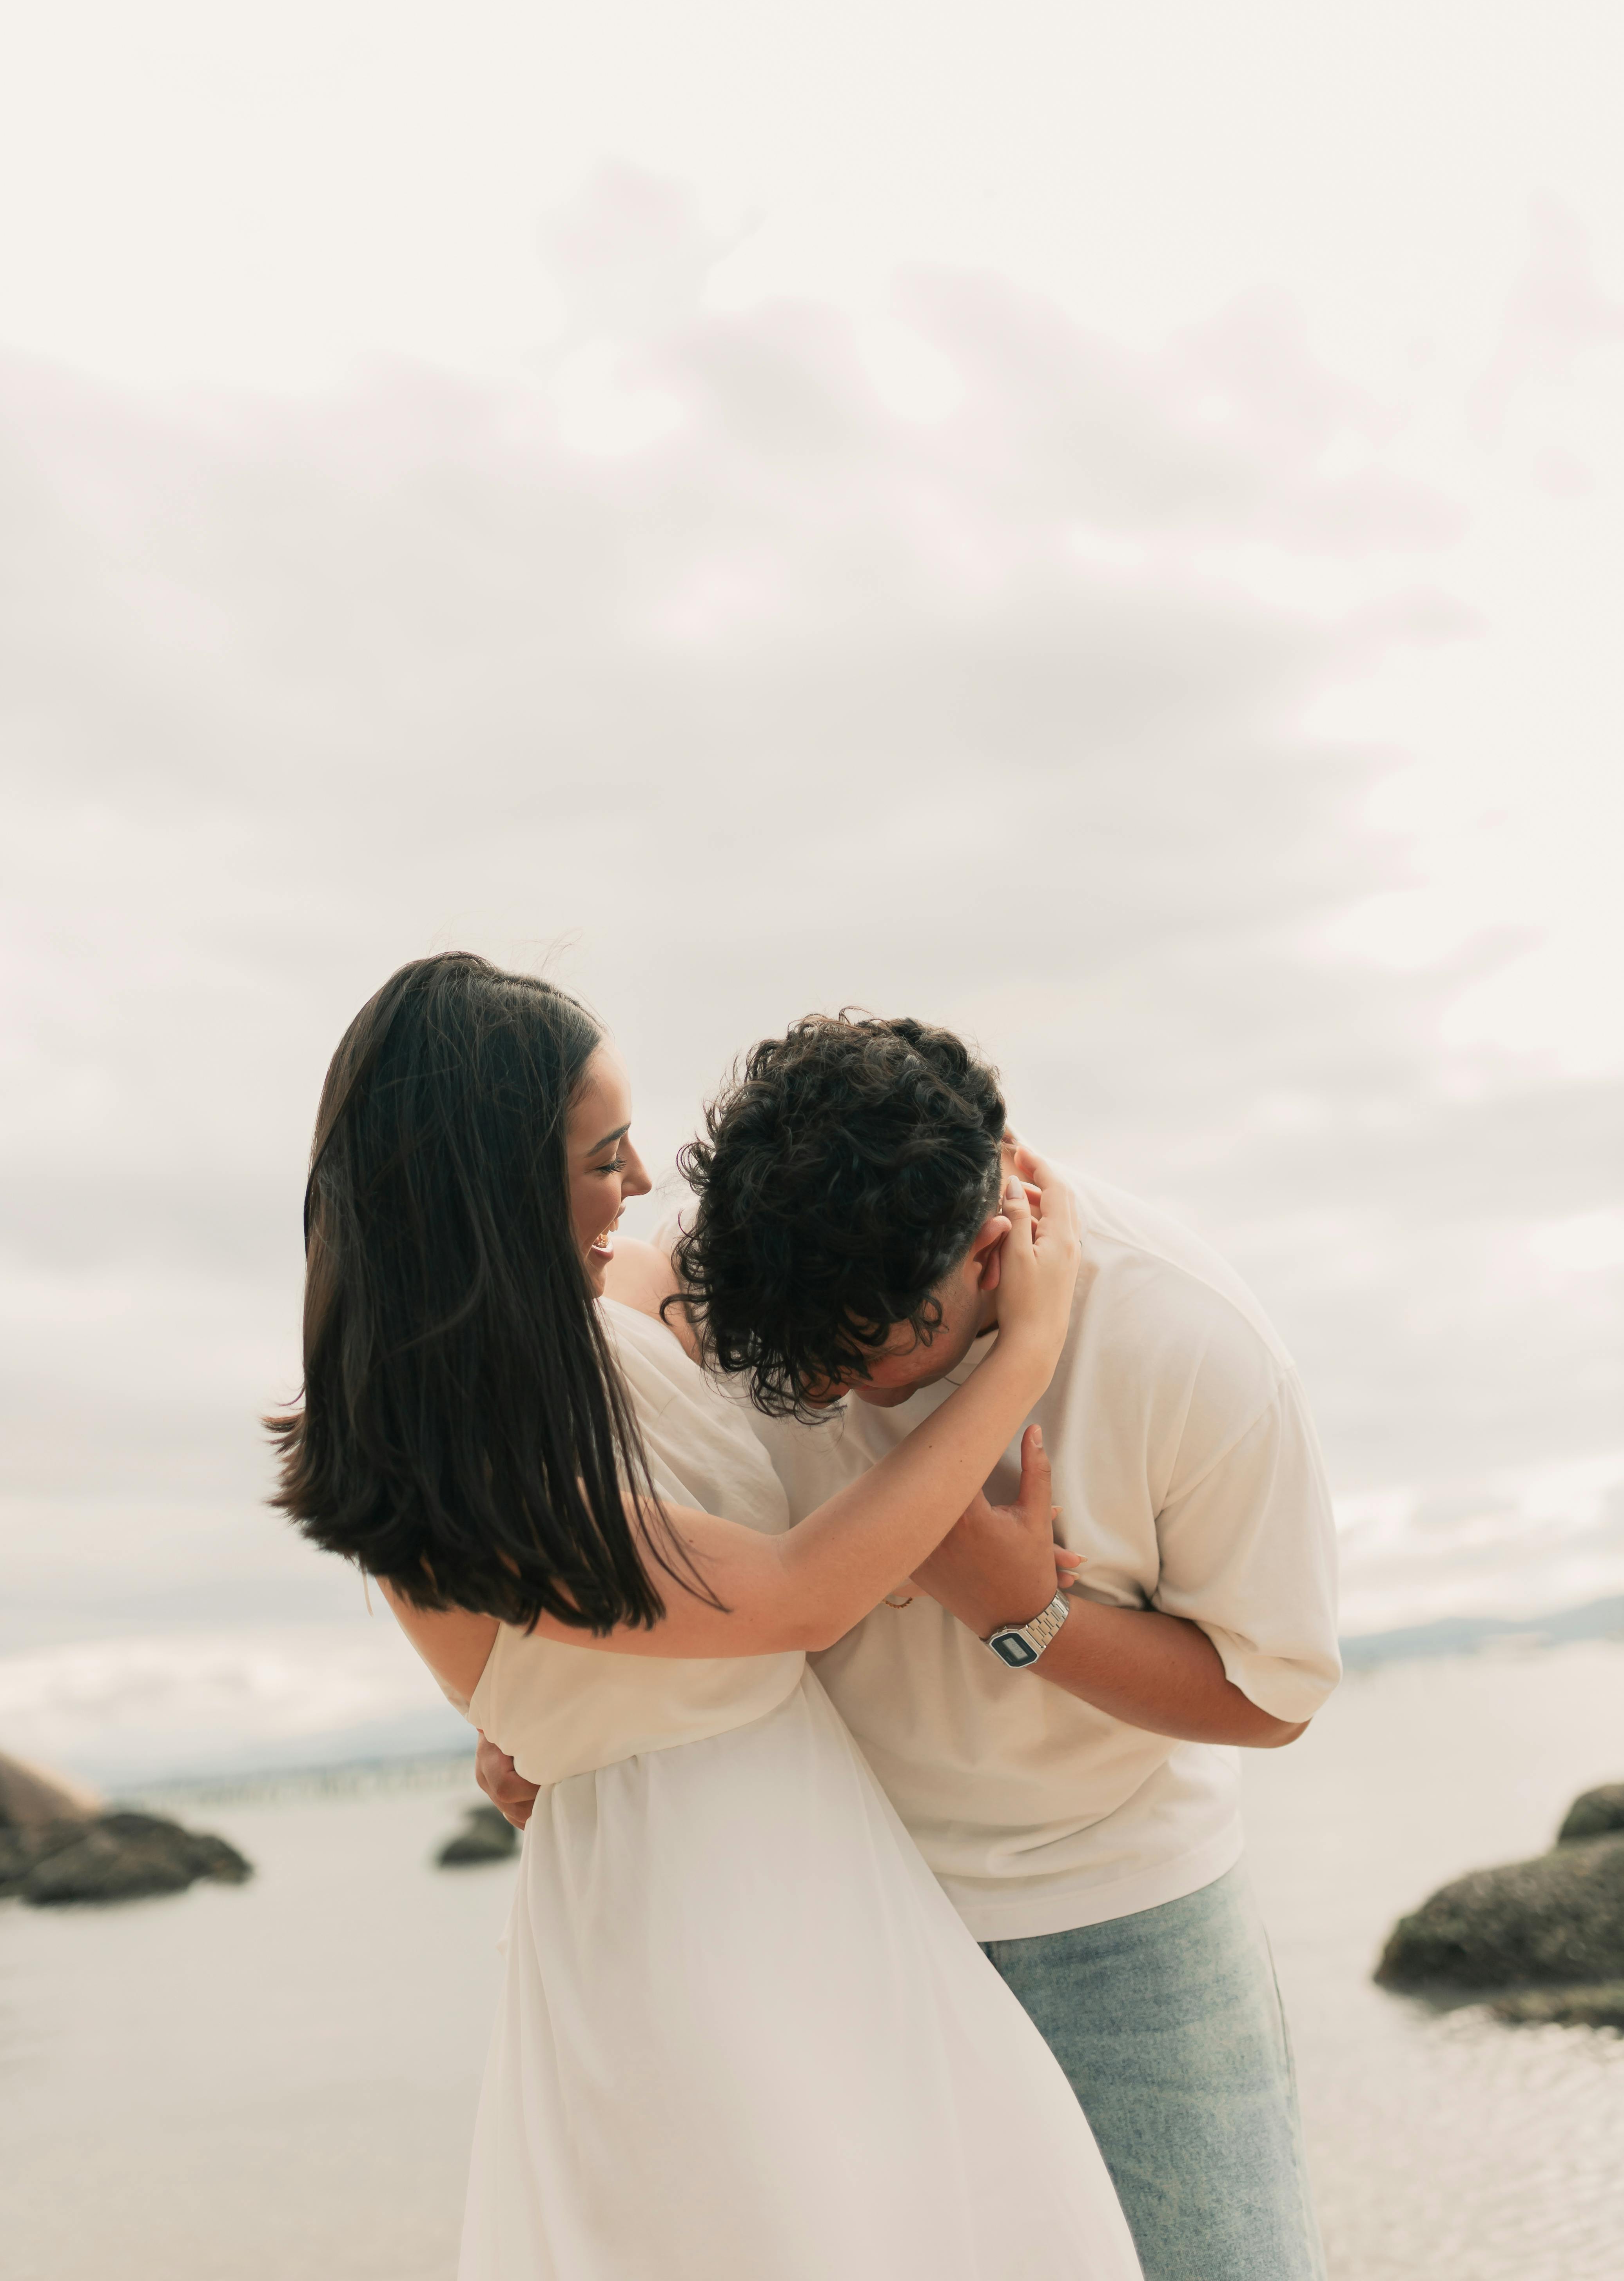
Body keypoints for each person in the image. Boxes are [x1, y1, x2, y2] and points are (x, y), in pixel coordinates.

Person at [269, 956, 1141, 2281]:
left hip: (827, 1858)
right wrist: (1026, 1345)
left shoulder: (616, 1297)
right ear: (487, 1194)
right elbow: (790, 1595)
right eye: (600, 1158)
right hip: (684, 1925)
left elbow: (810, 1282)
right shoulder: (450, 1468)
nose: (639, 1181)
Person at [479, 1012, 1341, 2281]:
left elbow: (1271, 1698)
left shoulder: (1187, 1343)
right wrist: (548, 1716)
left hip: (1119, 1919)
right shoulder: (738, 1273)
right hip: (823, 1910)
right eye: (792, 1360)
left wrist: (1028, 1617)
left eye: (863, 1359)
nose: (822, 1390)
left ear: (990, 1252)